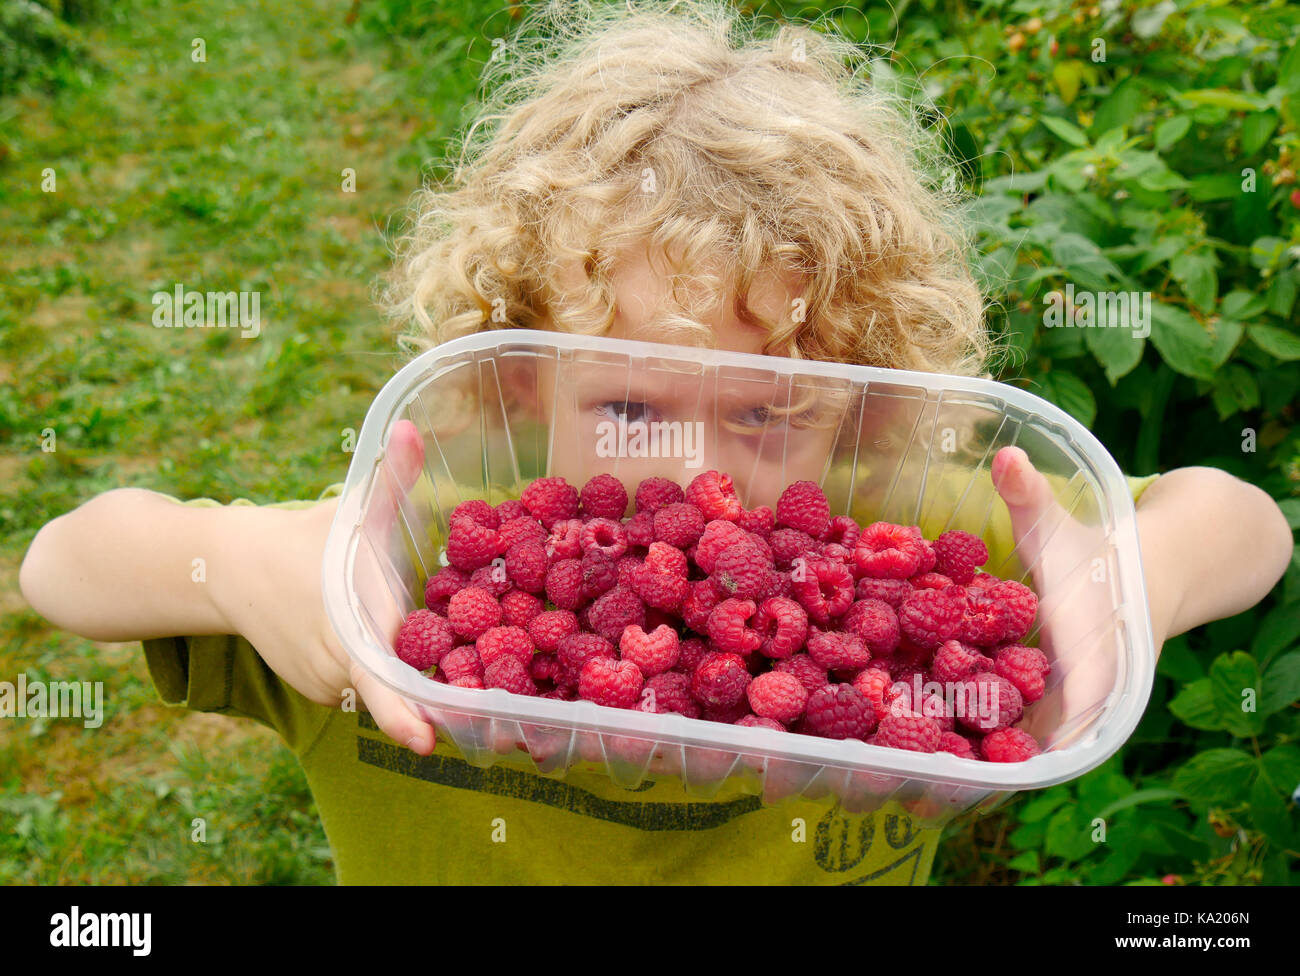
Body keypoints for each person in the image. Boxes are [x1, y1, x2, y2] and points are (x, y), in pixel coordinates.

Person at [19, 0, 1292, 884]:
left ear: (862, 406)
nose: (697, 471)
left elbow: (1246, 521)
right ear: (518, 372)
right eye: (629, 406)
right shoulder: (384, 574)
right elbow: (63, 566)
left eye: (762, 413)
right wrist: (231, 553)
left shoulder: (929, 539)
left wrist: (1137, 575)